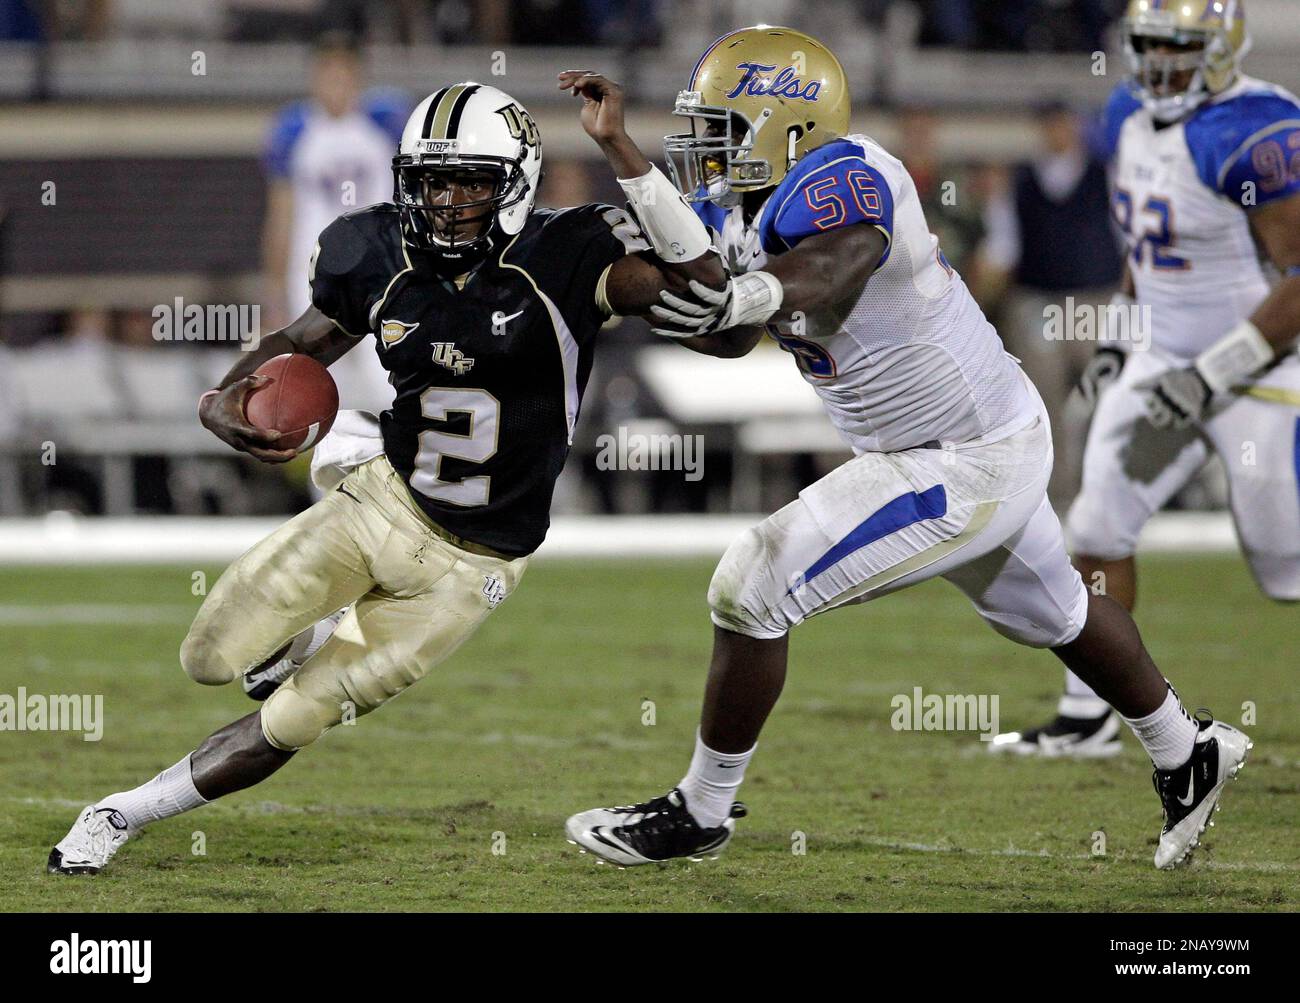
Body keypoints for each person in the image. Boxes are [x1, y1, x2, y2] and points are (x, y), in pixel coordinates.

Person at [563, 25, 1250, 871]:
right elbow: (735, 326)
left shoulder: (848, 176)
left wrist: (753, 290)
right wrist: (624, 161)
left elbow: (837, 263)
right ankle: (1189, 749)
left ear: (789, 125)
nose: (707, 152)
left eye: (725, 130)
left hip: (961, 455)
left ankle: (700, 811)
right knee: (1060, 612)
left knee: (754, 582)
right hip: (970, 435)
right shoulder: (744, 200)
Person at [47, 80, 726, 875]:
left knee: (296, 718)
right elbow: (296, 341)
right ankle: (304, 623)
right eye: (433, 179)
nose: (447, 200)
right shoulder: (374, 253)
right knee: (207, 657)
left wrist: (620, 147)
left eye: (472, 180)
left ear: (516, 179)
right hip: (381, 503)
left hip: (473, 567)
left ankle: (118, 812)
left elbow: (705, 286)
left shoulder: (567, 257)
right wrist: (222, 396)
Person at [994, 0, 1300, 757]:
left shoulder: (1259, 132)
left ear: (1223, 46)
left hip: (1262, 370)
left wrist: (1215, 372)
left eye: (1178, 47)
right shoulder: (1128, 111)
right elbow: (1147, 242)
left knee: (1283, 562)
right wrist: (1116, 340)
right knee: (1095, 527)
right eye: (1148, 46)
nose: (1160, 63)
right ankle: (1090, 712)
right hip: (1163, 362)